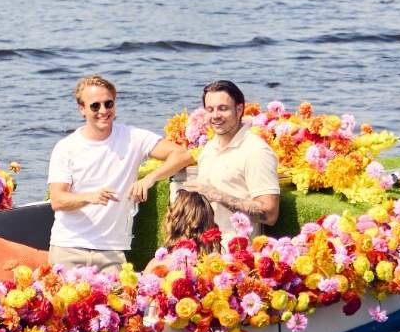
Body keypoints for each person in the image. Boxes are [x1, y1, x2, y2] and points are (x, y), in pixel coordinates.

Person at [45, 75, 193, 274]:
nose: (103, 111)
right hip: (68, 247)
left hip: (112, 251)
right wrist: (90, 197)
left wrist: (149, 179)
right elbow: (57, 200)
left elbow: (182, 155)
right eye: (95, 106)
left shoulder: (133, 138)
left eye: (108, 104)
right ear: (82, 109)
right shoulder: (66, 147)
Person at [180, 81, 281, 232]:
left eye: (223, 108)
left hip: (236, 245)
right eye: (210, 109)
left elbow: (270, 214)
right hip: (203, 241)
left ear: (239, 110)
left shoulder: (256, 151)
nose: (215, 116)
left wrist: (218, 196)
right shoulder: (209, 148)